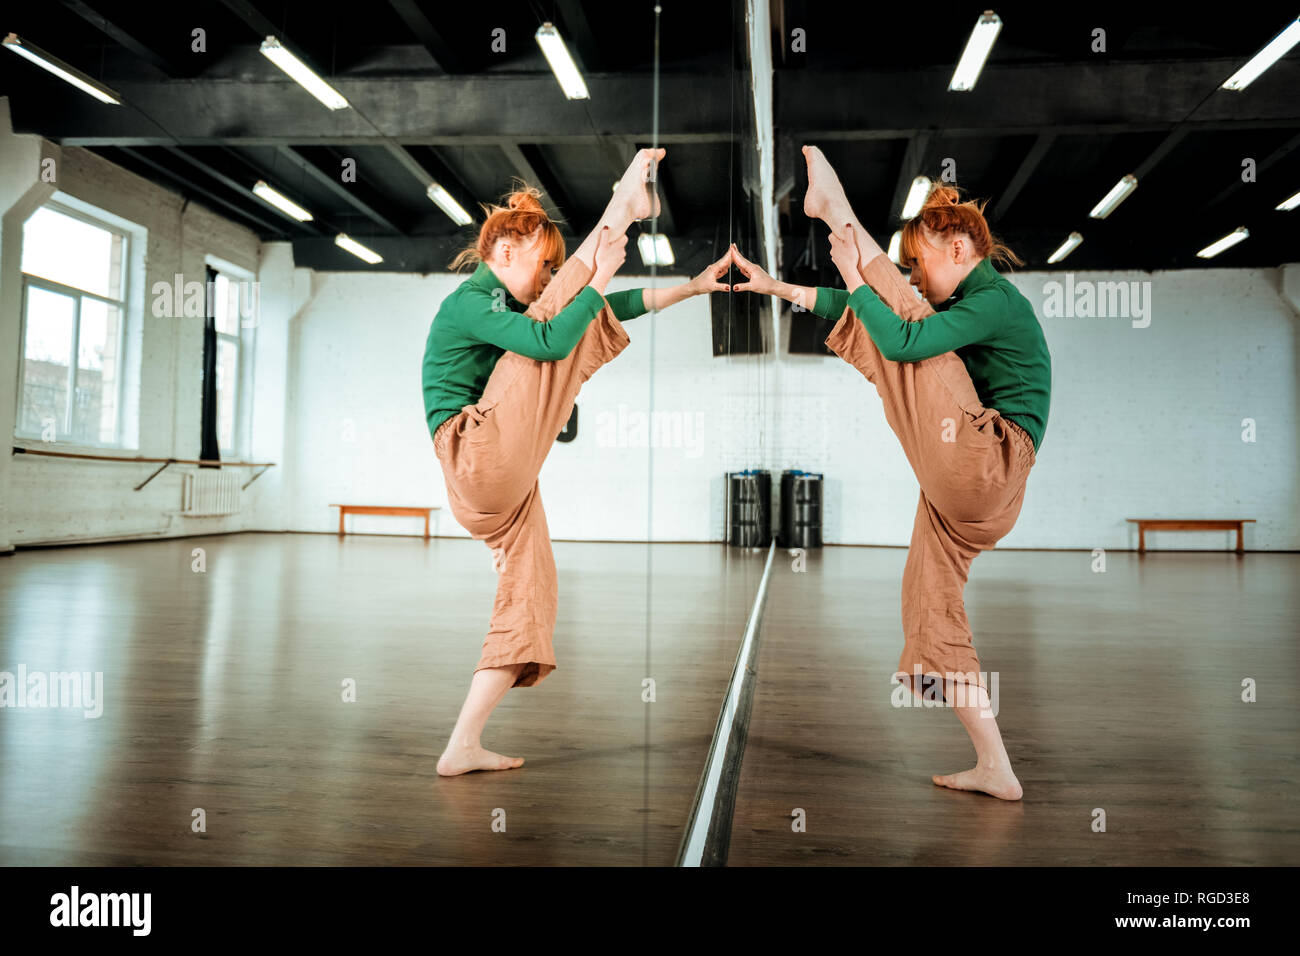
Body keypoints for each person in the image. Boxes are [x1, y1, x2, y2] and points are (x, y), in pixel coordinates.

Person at [729, 145, 1052, 800]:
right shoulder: (970, 307)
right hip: (972, 492)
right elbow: (888, 335)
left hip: (989, 460)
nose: (914, 272)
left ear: (960, 248)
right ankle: (996, 766)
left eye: (919, 259)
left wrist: (854, 271)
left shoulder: (995, 301)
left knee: (901, 334)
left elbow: (905, 337)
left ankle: (837, 208)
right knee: (930, 609)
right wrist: (780, 288)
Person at [422, 149, 734, 776]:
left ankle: (462, 743)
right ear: (504, 254)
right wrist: (592, 274)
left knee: (529, 603)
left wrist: (693, 288)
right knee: (561, 322)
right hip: (473, 451)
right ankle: (621, 205)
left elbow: (600, 314)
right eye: (542, 265)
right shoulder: (469, 303)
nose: (545, 277)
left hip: (503, 490)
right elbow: (550, 336)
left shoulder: (511, 307)